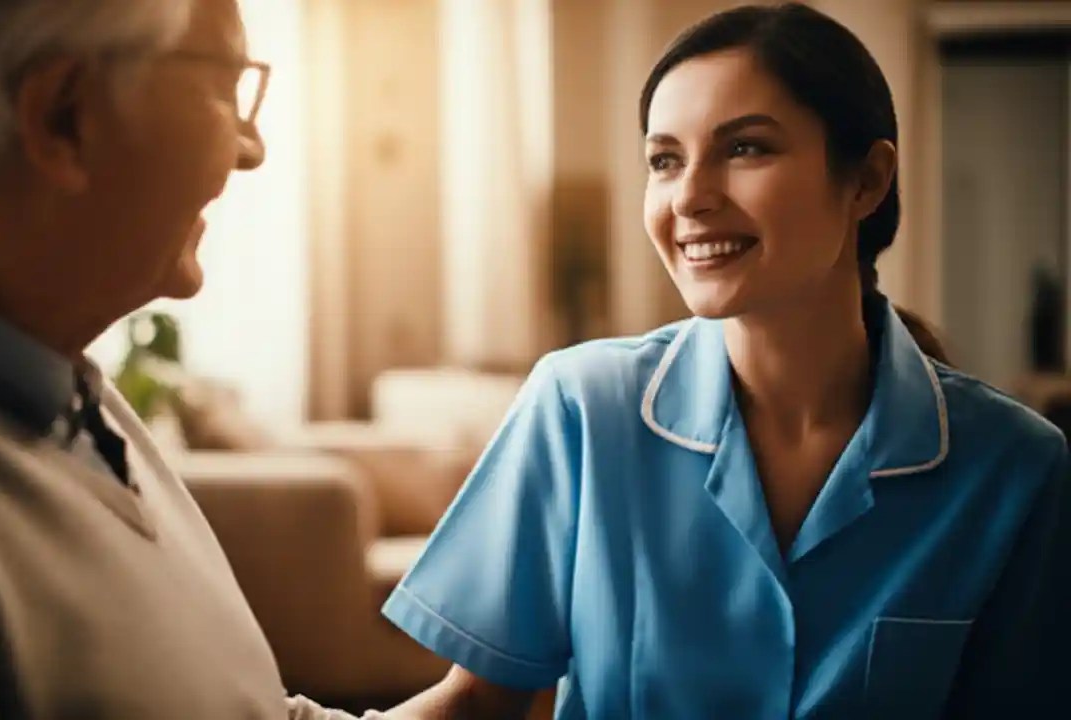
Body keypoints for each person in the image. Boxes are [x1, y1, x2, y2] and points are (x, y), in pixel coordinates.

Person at [379, 4, 1069, 718]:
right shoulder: (582, 408)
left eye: (745, 149)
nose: (691, 197)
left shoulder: (1015, 468)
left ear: (866, 180)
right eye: (665, 160)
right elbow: (475, 705)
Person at [0, 1, 358, 718]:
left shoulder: (56, 382)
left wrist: (481, 691)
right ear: (64, 117)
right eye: (226, 87)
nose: (251, 147)